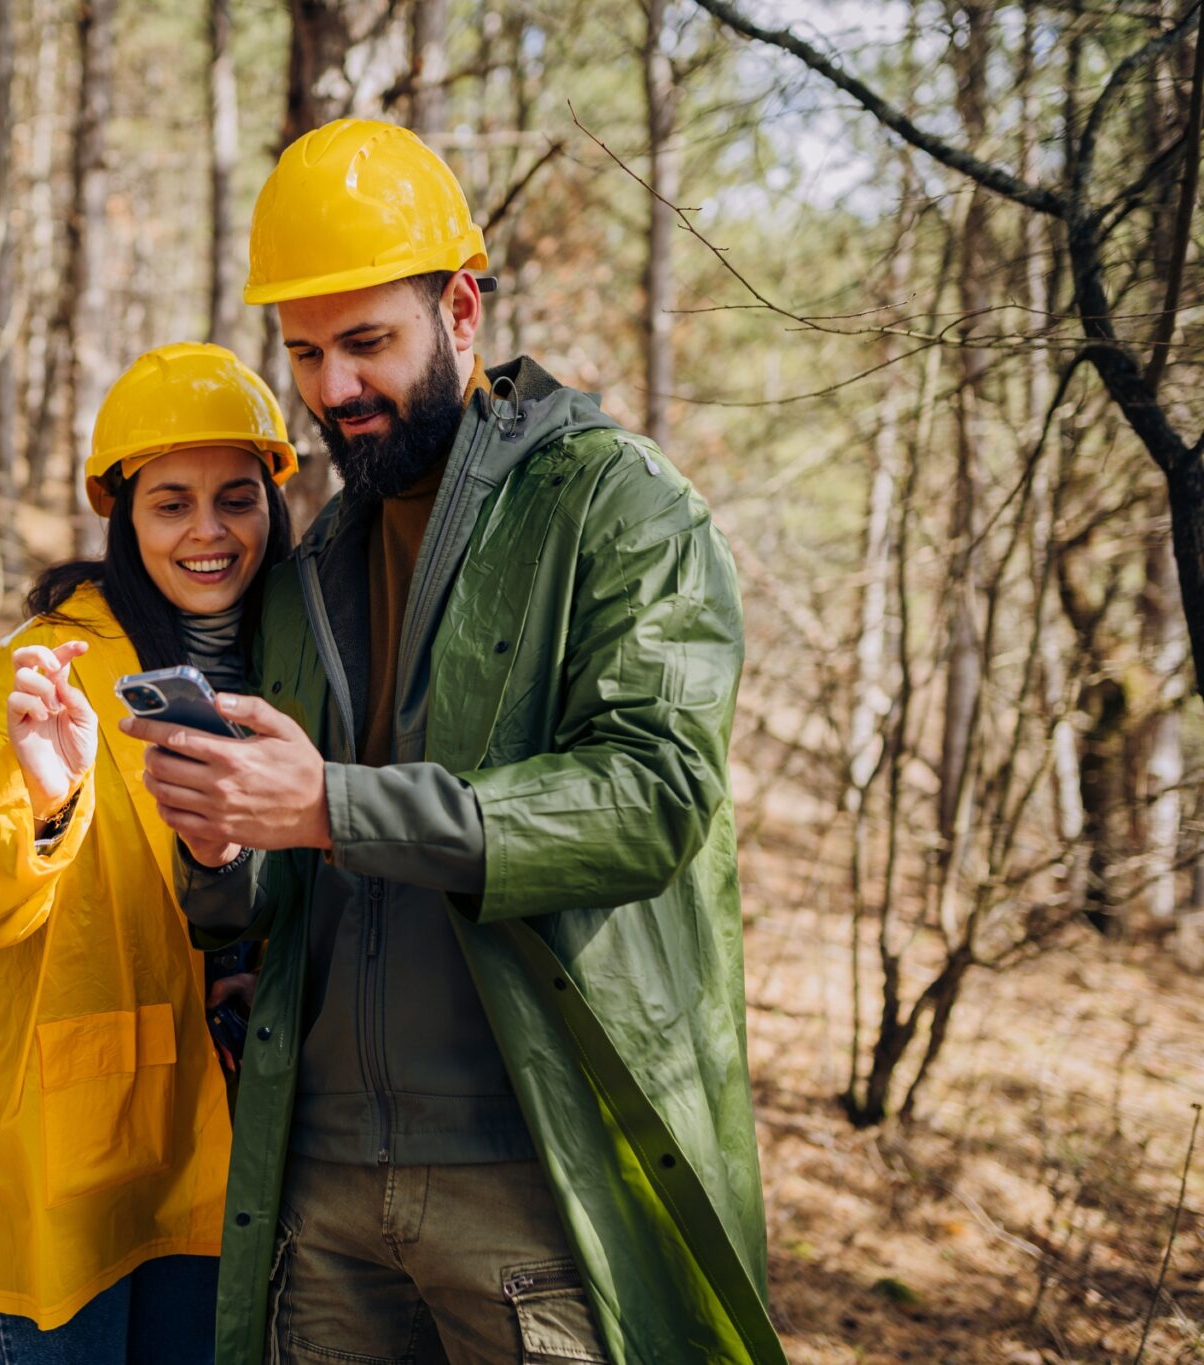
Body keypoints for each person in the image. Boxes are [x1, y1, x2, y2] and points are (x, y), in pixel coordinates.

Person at [127, 120, 787, 1364]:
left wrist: (332, 806)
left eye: (368, 342)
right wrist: (220, 841)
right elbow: (263, 902)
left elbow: (651, 796)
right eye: (306, 353)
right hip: (318, 1188)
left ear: (462, 312)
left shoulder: (616, 504)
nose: (332, 390)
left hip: (532, 1176)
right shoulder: (312, 560)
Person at [0, 342, 298, 1364]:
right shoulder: (41, 671)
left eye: (235, 498)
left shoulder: (311, 665)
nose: (207, 532)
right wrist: (43, 797)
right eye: (170, 503)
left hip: (242, 1178)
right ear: (121, 515)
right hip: (60, 1173)